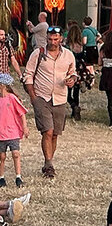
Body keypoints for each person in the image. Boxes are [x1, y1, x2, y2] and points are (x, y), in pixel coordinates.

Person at [23, 25, 76, 179]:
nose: (52, 42)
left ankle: (49, 161)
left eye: (55, 39)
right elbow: (28, 74)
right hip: (41, 97)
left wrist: (72, 79)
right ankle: (49, 164)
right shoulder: (38, 54)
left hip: (60, 98)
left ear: (61, 39)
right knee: (48, 131)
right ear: (46, 38)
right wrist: (33, 96)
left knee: (55, 134)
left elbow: (73, 73)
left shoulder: (68, 55)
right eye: (50, 39)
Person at [0, 74, 28, 188]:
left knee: (15, 153)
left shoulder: (12, 98)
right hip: (1, 132)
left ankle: (18, 176)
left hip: (13, 131)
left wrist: (25, 127)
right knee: (1, 156)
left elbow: (22, 113)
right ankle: (1, 177)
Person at [64, 24, 85, 120]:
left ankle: (74, 106)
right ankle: (75, 112)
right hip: (79, 71)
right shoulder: (81, 46)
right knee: (76, 93)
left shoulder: (68, 46)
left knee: (68, 94)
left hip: (69, 71)